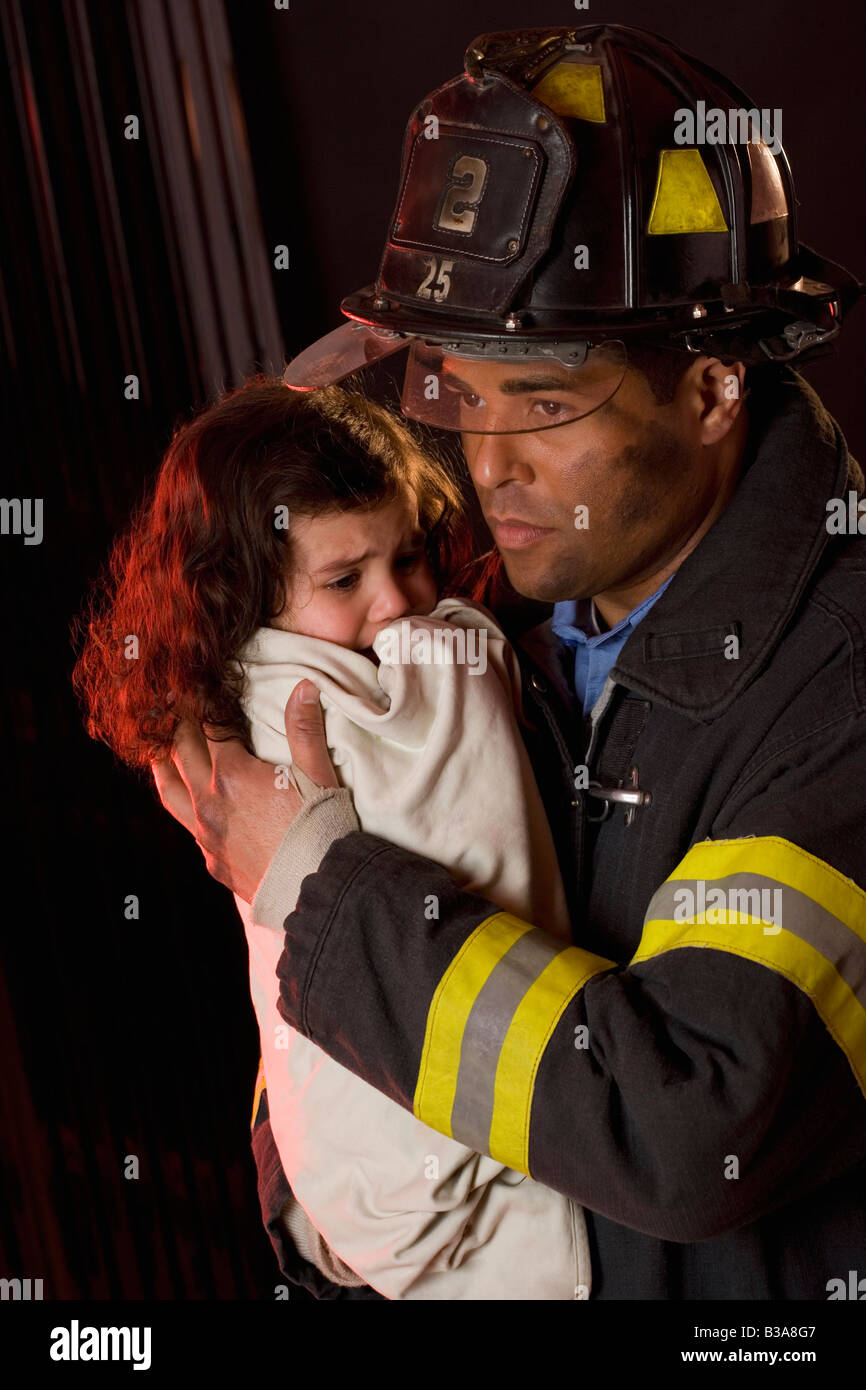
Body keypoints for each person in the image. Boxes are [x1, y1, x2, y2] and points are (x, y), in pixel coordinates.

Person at [153, 23, 866, 1299]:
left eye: (543, 403)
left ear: (710, 390)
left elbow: (690, 1121)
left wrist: (317, 884)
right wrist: (332, 1225)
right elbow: (332, 1036)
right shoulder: (491, 645)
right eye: (461, 392)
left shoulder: (839, 686)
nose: (487, 465)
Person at [72, 375, 593, 1300]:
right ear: (241, 604)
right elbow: (453, 710)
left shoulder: (241, 695)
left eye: (410, 557)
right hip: (396, 1158)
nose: (397, 606)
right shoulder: (297, 697)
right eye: (345, 580)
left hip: (362, 1196)